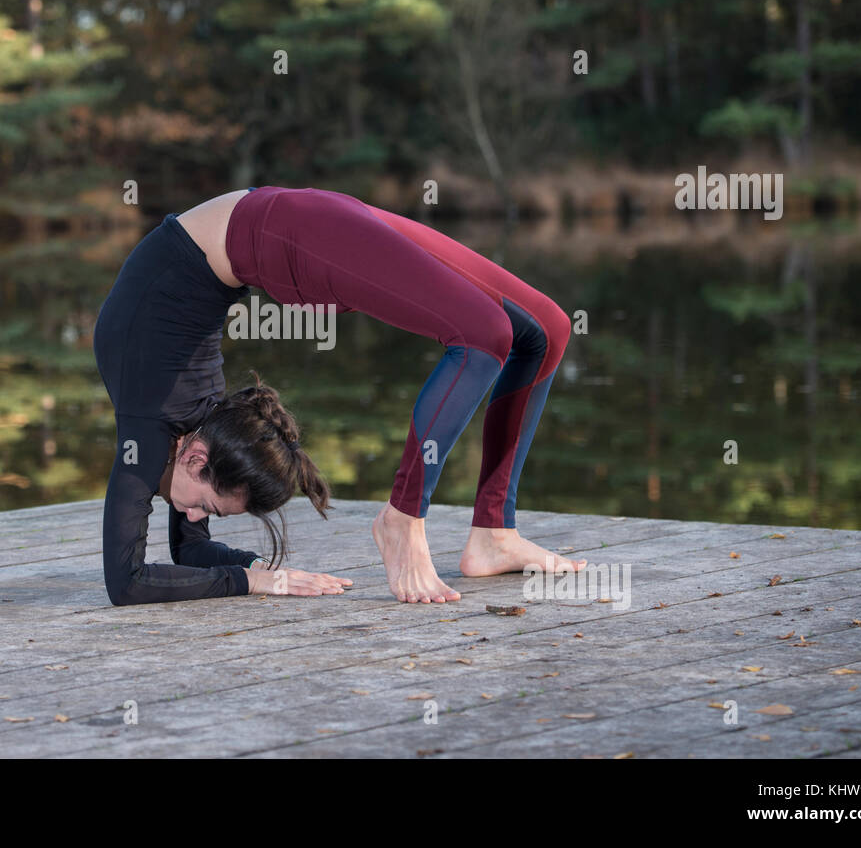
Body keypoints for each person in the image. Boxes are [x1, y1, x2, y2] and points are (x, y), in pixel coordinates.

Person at [92, 185, 583, 606]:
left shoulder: (145, 439)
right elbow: (190, 554)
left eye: (207, 510)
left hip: (281, 233)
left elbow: (127, 582)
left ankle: (411, 519)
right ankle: (491, 535)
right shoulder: (203, 439)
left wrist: (250, 579)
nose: (191, 516)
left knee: (529, 332)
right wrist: (263, 574)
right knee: (512, 332)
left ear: (196, 457)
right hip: (284, 217)